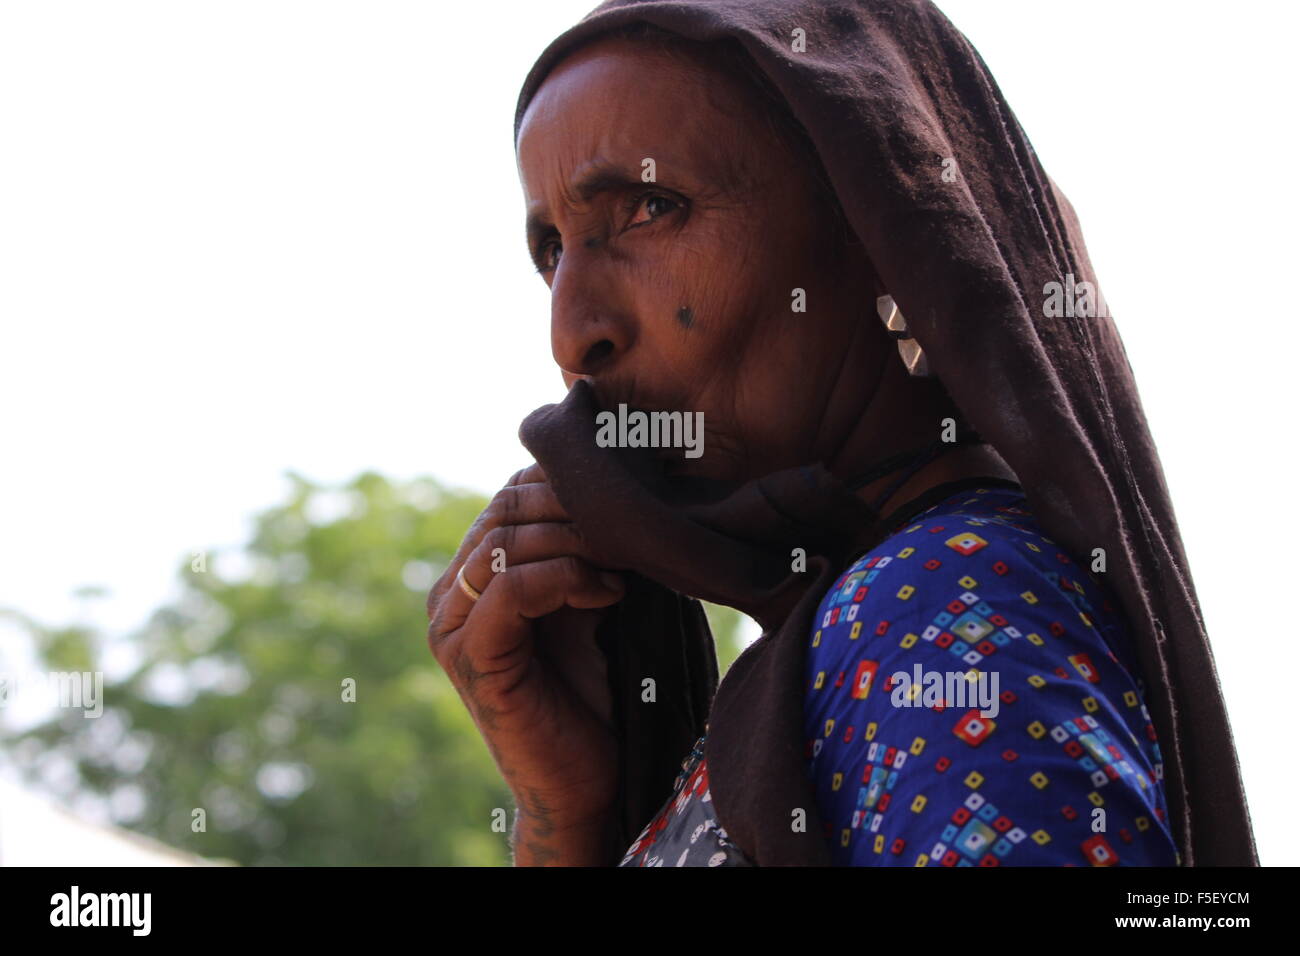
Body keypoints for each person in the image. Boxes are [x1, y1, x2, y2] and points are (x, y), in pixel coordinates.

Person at [426, 0, 1257, 866]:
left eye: (648, 208)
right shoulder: (849, 636)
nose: (570, 334)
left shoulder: (938, 607)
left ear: (879, 237)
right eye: (552, 250)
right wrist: (565, 817)